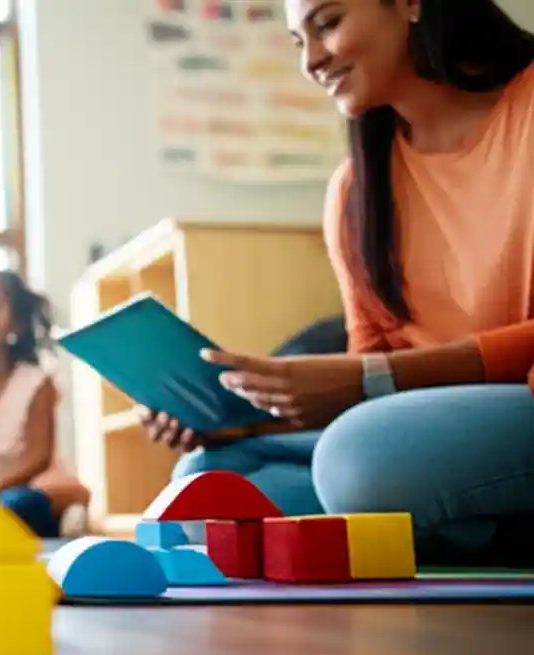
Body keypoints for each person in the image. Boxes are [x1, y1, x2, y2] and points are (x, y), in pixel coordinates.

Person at [142, 0, 534, 564]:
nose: (311, 61)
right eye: (298, 41)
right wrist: (248, 414)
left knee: (361, 459)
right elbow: (367, 379)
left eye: (327, 24)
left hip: (512, 403)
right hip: (412, 433)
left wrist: (373, 379)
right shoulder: (356, 190)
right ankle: (451, 520)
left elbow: (373, 385)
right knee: (205, 483)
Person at [0, 270, 90, 538]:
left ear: (18, 323)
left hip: (38, 487)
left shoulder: (36, 383)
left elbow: (38, 459)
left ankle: (65, 519)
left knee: (18, 504)